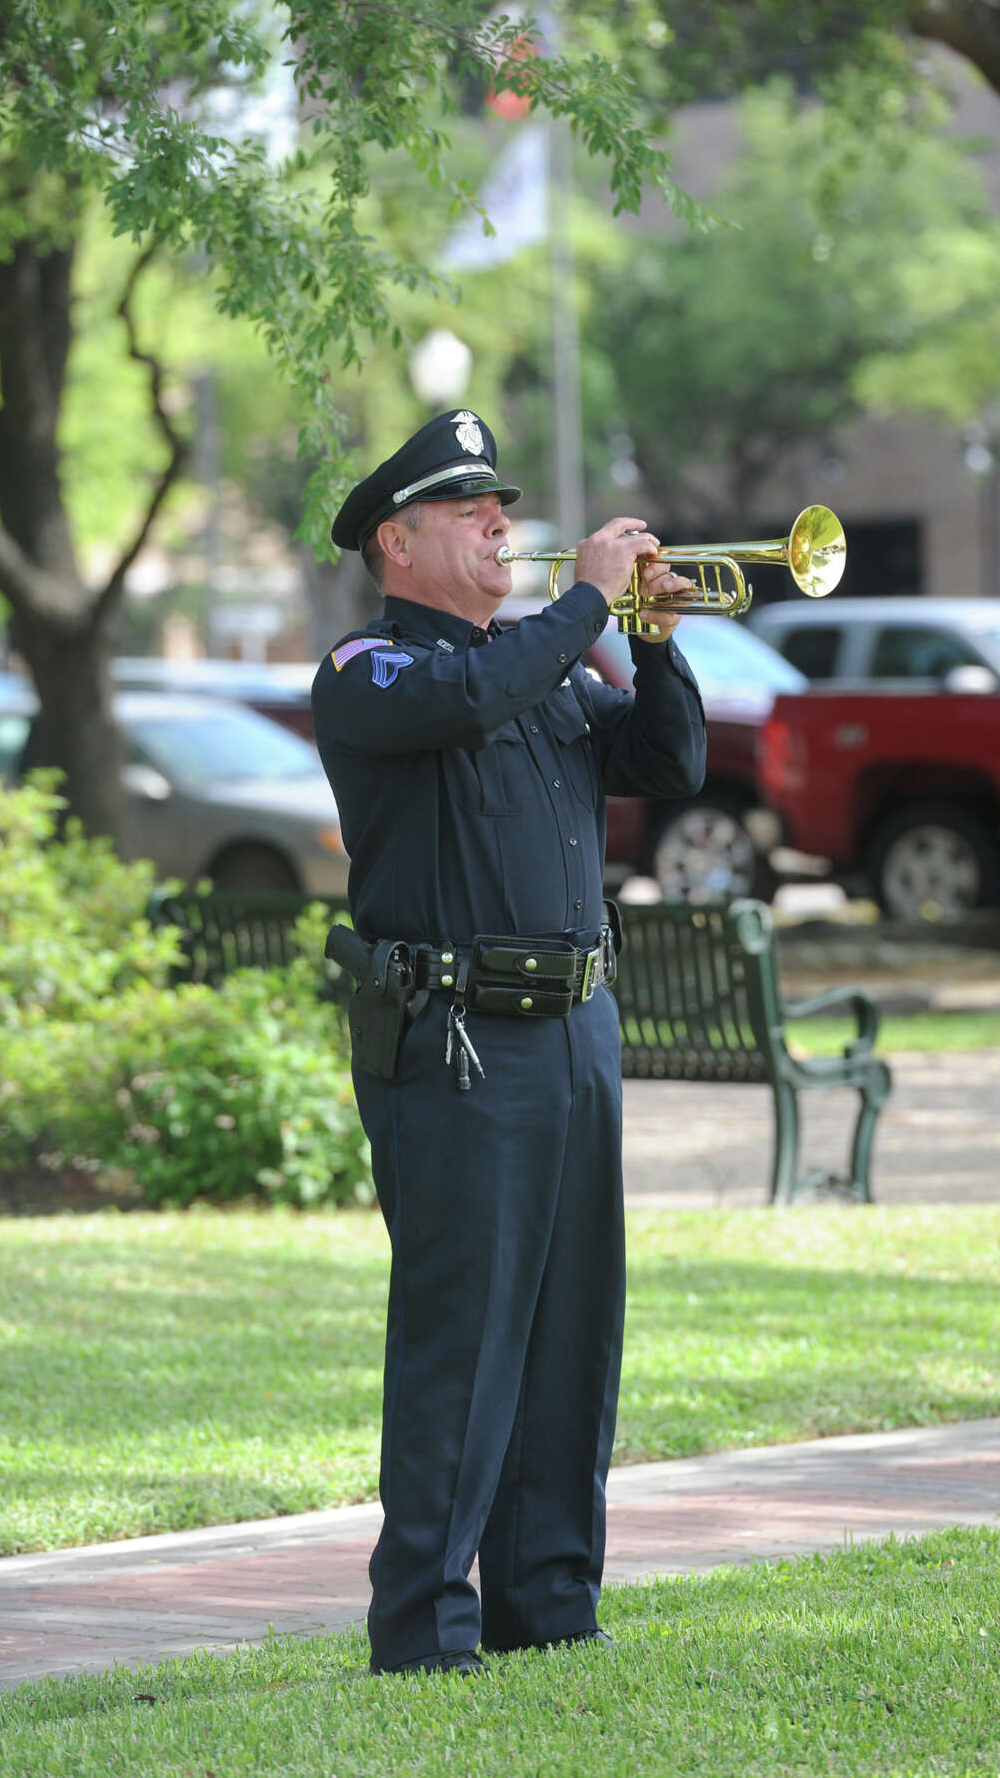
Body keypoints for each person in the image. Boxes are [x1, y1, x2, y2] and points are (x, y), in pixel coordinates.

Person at [311, 408, 706, 1677]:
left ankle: (550, 1605)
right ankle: (423, 1629)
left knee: (574, 1327)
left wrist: (651, 637)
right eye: (470, 511)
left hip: (578, 1031)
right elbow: (473, 691)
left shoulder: (541, 670)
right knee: (464, 1334)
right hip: (458, 1042)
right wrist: (585, 608)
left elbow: (667, 761)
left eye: (504, 509)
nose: (502, 526)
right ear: (397, 541)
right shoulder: (374, 670)